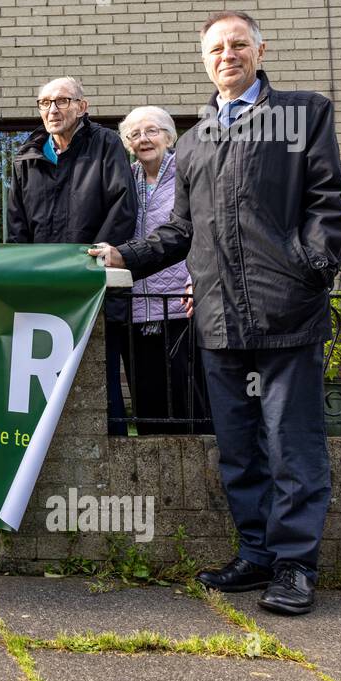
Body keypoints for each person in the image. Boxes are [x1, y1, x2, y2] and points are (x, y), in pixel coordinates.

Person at [90, 11, 341, 615]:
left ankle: (294, 566)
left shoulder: (301, 113)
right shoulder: (194, 139)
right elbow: (180, 230)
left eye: (238, 44)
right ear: (203, 58)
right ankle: (256, 552)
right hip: (216, 319)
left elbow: (328, 204)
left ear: (261, 49)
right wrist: (122, 253)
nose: (227, 54)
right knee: (237, 446)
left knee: (293, 444)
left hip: (286, 315)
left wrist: (308, 270)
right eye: (216, 47)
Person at [7, 77, 137, 434]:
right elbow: (17, 227)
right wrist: (29, 276)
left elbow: (122, 208)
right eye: (45, 102)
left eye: (62, 101)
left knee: (103, 383)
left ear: (83, 106)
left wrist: (85, 265)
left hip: (93, 288)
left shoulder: (106, 144)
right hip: (43, 296)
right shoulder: (26, 157)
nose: (52, 109)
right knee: (44, 388)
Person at [118, 106, 211, 435]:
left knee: (191, 405)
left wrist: (194, 279)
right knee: (149, 409)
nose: (143, 139)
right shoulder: (124, 180)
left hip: (180, 310)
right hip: (138, 313)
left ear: (170, 137)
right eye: (135, 134)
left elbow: (203, 232)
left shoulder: (188, 175)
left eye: (152, 131)